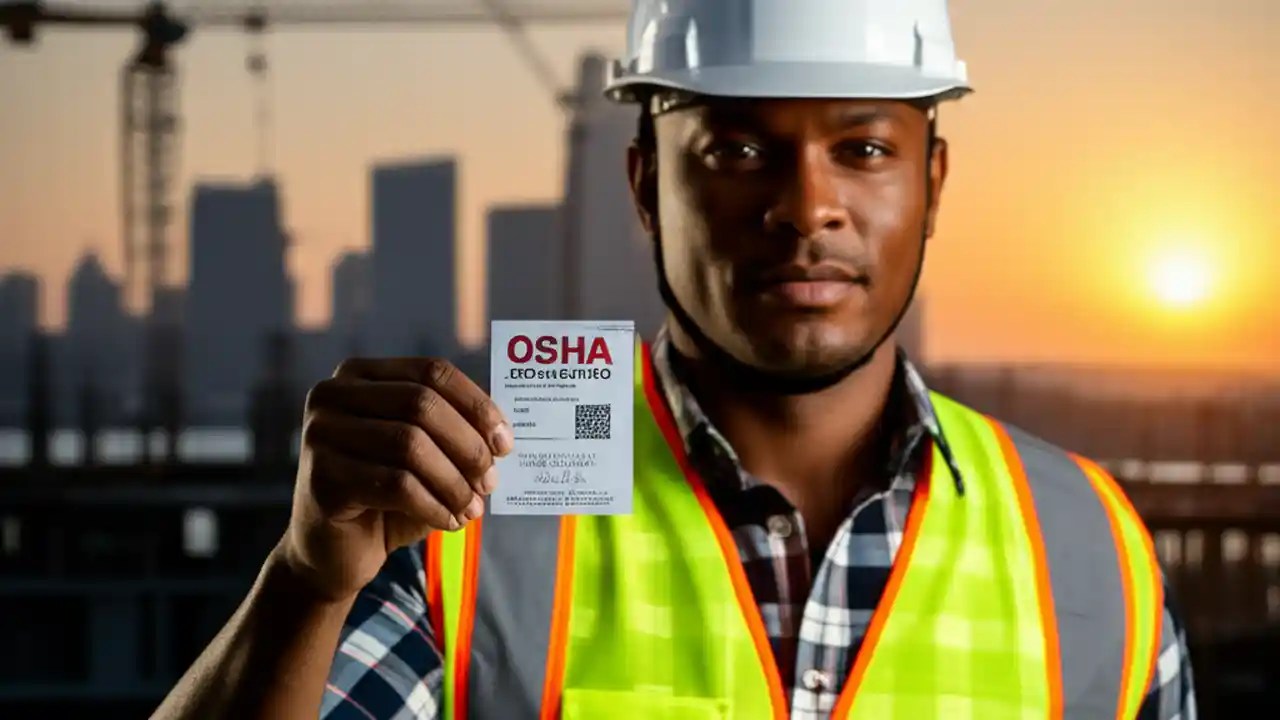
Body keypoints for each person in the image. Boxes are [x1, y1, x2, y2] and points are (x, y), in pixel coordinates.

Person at [152, 0, 1197, 718]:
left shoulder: (1089, 552)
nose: (802, 206)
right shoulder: (469, 518)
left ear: (934, 179)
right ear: (646, 185)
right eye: (737, 150)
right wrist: (302, 585)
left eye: (862, 148)